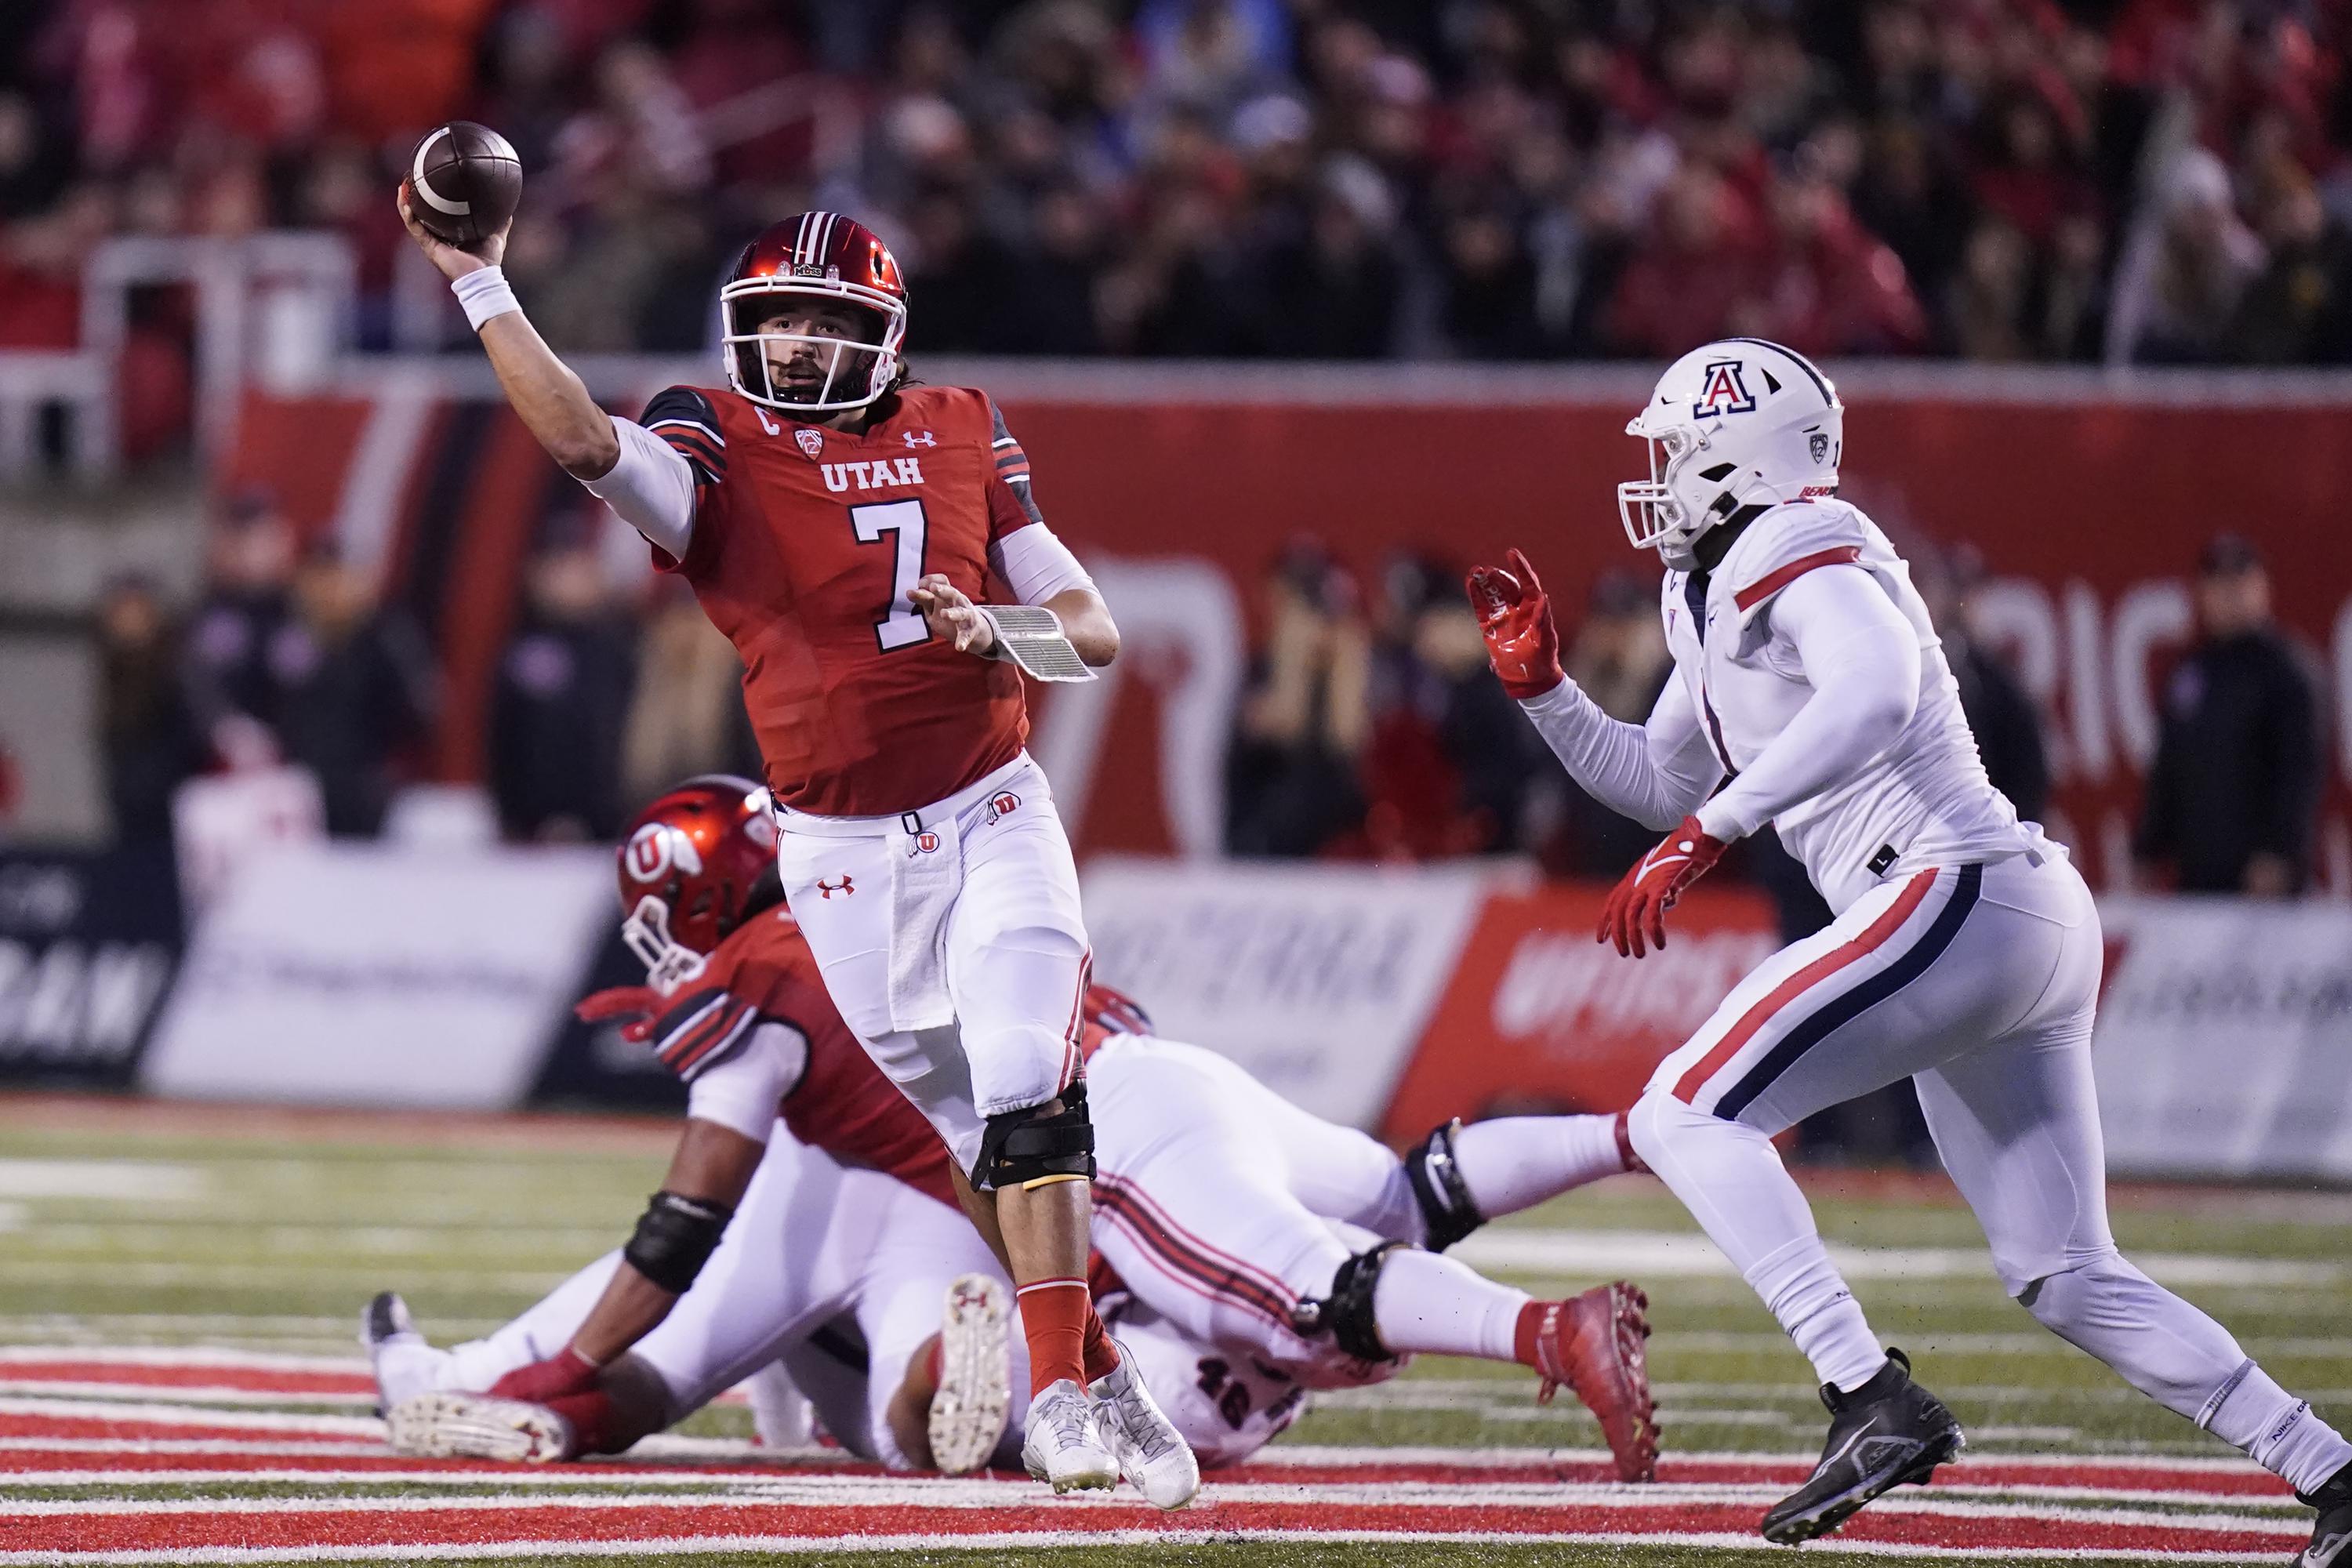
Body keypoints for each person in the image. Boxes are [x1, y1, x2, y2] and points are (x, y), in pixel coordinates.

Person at [1468, 338, 2352, 1559]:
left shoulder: (1792, 540)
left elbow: (1875, 690)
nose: (1660, 475)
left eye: (1677, 451)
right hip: (2004, 912)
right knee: (2063, 1272)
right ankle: (2330, 1470)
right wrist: (1547, 695)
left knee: (1683, 1110)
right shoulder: (1710, 586)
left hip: (1951, 887)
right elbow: (1662, 778)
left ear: (1737, 456)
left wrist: (1715, 834)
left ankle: (1867, 1393)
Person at [399, 191, 1166, 1496]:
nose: (799, 343)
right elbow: (583, 441)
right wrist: (481, 281)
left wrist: (996, 630)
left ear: (884, 335)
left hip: (992, 802)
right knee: (964, 1131)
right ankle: (1103, 1377)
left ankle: (1060, 1403)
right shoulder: (719, 436)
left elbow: (1089, 633)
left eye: (825, 320)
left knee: (1022, 1074)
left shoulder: (965, 424)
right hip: (841, 850)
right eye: (779, 319)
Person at [369, 780, 1658, 1488]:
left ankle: (541, 1388)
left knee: (1272, 1315)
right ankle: (1634, 1139)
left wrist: (576, 1365)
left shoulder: (762, 967)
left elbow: (689, 1218)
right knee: (1375, 1217)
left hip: (1073, 1146)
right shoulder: (901, 879)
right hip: (1106, 1106)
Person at [2136, 533, 2322, 898]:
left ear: (2262, 587)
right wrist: (2148, 847)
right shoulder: (2192, 672)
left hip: (2264, 884)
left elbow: (2298, 772)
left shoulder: (2286, 672)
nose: (2229, 595)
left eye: (2239, 582)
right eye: (2218, 584)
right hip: (2198, 876)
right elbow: (2170, 767)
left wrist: (2279, 852)